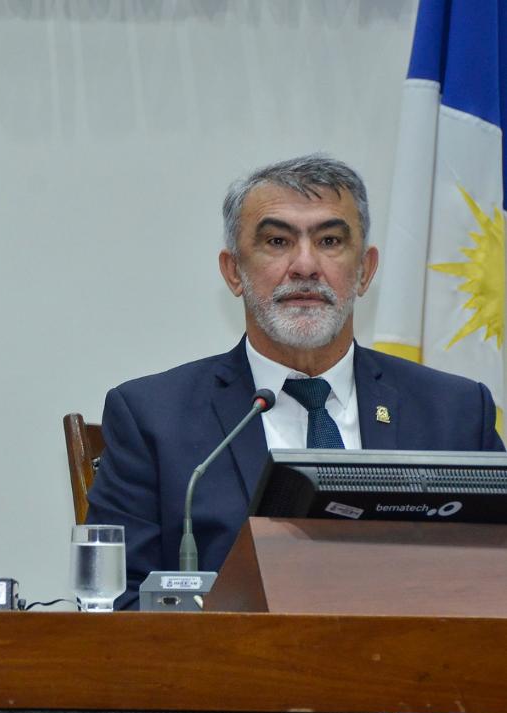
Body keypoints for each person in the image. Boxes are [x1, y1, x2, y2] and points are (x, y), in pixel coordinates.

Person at [85, 154, 504, 610]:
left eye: (329, 240)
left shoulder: (456, 410)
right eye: (278, 241)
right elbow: (117, 608)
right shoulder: (151, 417)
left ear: (365, 270)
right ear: (233, 272)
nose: (305, 265)